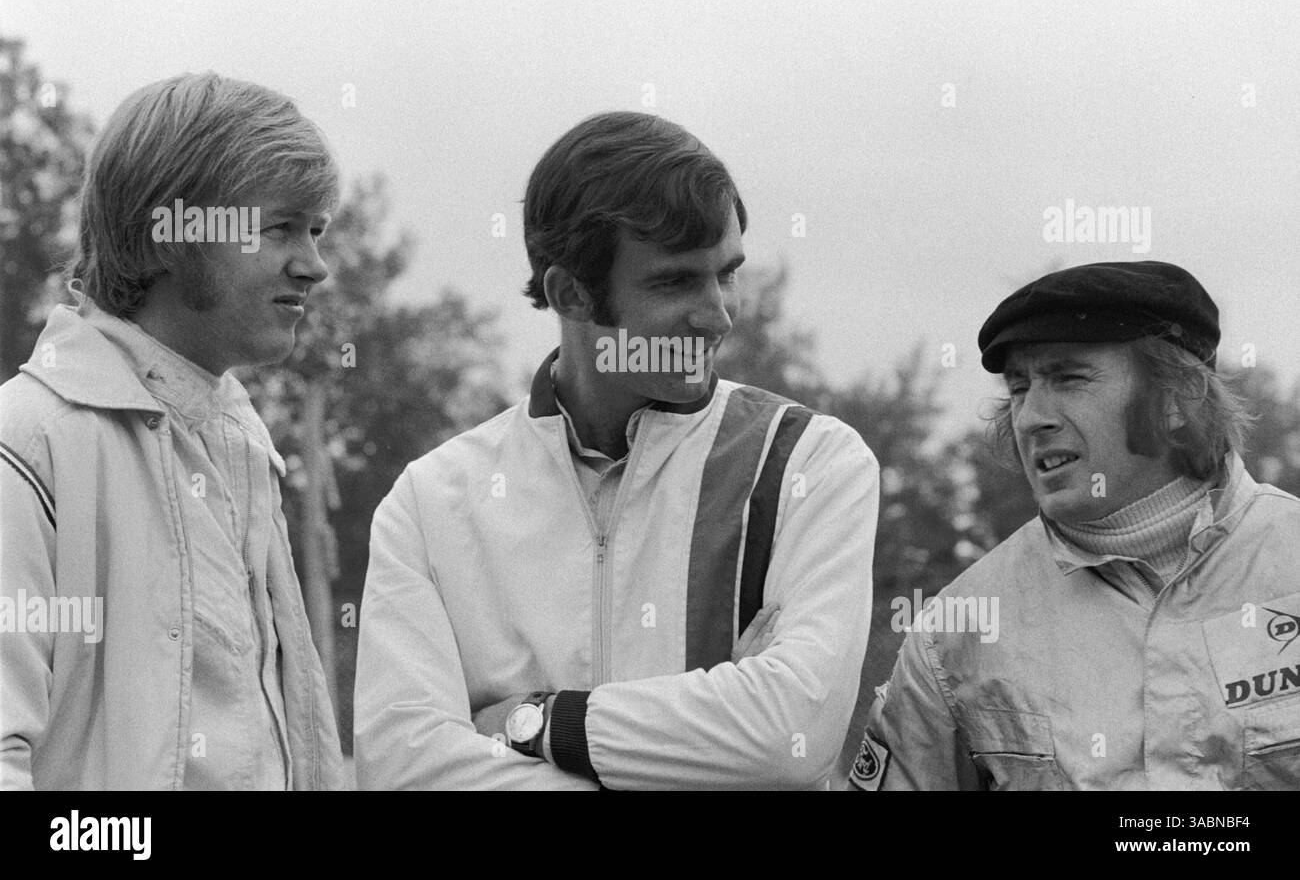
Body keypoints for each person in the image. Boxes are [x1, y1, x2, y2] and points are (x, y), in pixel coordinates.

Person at [354, 111, 879, 790]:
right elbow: (402, 767)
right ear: (569, 292)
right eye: (676, 281)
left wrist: (536, 724)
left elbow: (790, 733)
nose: (718, 312)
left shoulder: (813, 462)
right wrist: (704, 750)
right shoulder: (430, 500)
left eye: (727, 274)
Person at [0, 72, 345, 790]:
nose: (315, 264)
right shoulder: (28, 445)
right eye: (279, 226)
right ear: (167, 233)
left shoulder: (241, 444)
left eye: (316, 230)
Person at [850, 260, 1300, 790]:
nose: (1029, 417)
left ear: (1178, 398)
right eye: (1019, 388)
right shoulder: (957, 632)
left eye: (1068, 379)